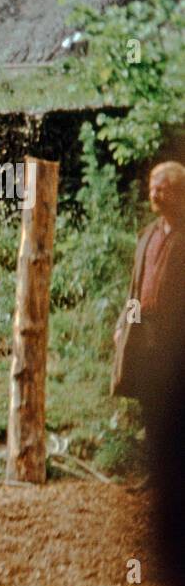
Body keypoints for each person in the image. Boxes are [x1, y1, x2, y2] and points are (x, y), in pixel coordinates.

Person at [112, 162, 185, 431]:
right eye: (152, 189)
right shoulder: (148, 235)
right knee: (151, 402)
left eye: (162, 190)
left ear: (180, 193)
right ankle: (159, 470)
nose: (154, 195)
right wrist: (125, 324)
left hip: (176, 338)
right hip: (146, 334)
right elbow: (136, 288)